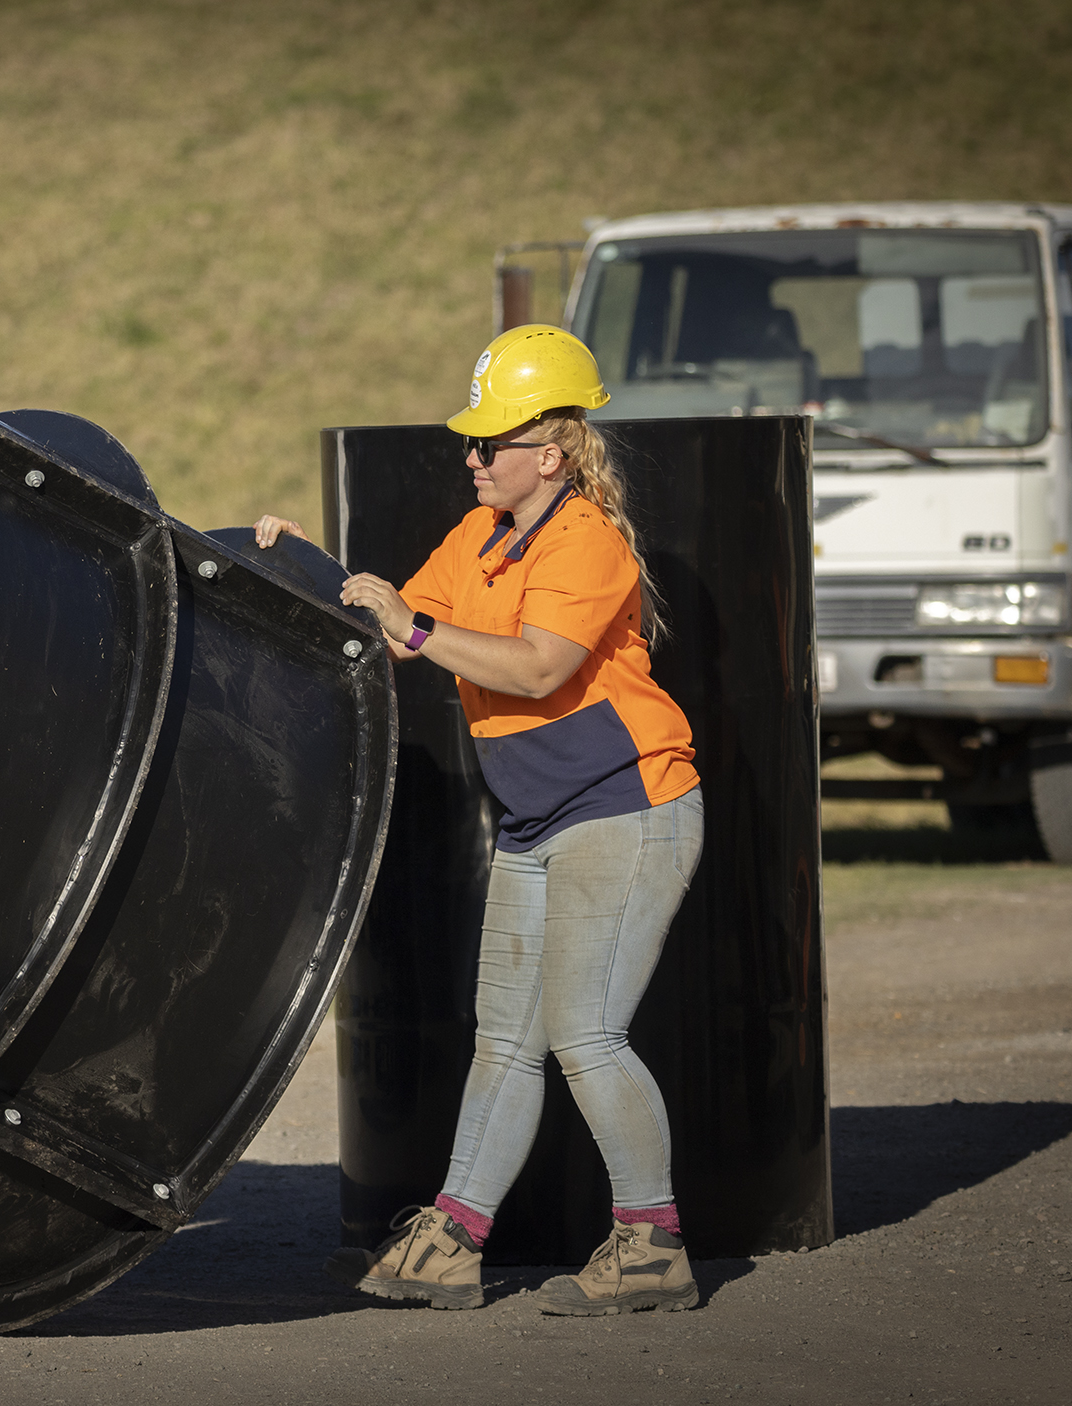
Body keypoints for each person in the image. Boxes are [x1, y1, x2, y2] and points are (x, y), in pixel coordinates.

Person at [256, 324, 705, 1316]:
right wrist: (297, 567)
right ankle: (453, 1236)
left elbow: (538, 666)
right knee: (502, 1037)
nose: (469, 456)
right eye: (471, 440)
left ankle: (653, 1244)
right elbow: (393, 623)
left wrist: (411, 623)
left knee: (584, 1032)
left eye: (488, 441)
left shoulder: (584, 539)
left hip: (629, 807)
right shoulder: (478, 536)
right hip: (539, 815)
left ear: (548, 452)